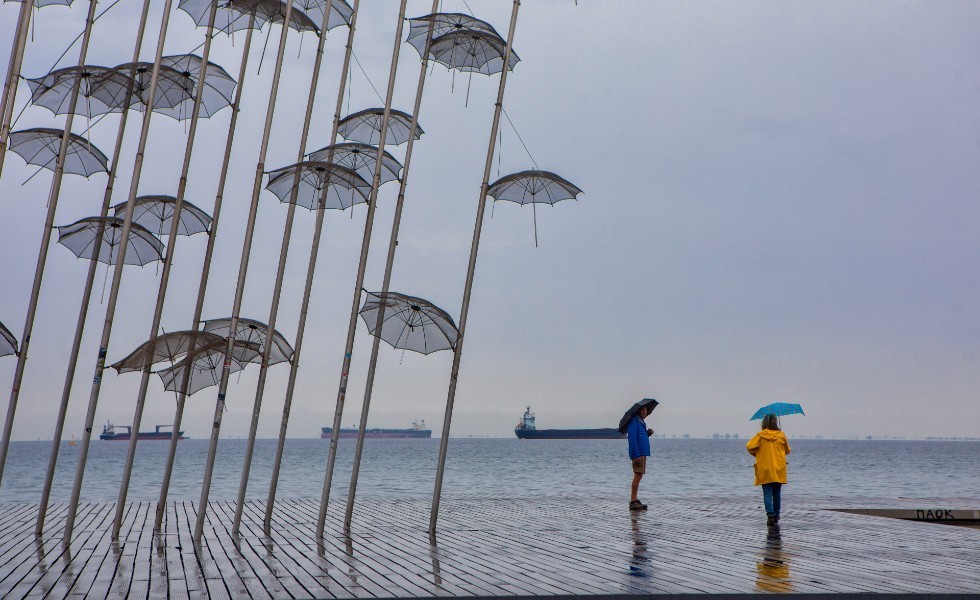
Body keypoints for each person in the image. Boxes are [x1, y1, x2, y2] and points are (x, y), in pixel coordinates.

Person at [746, 413, 791, 526]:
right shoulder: (781, 435)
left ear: (764, 422)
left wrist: (757, 454)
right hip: (779, 468)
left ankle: (770, 515)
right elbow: (787, 450)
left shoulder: (760, 436)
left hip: (765, 468)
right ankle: (776, 515)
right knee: (777, 493)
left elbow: (749, 446)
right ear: (775, 422)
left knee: (767, 492)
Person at [627, 404, 654, 511]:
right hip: (638, 454)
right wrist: (636, 454)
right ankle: (633, 501)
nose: (644, 411)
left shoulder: (641, 422)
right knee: (637, 476)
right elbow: (632, 438)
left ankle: (635, 499)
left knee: (639, 476)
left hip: (642, 453)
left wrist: (648, 433)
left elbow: (641, 437)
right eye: (642, 410)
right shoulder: (634, 421)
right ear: (638, 411)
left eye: (645, 410)